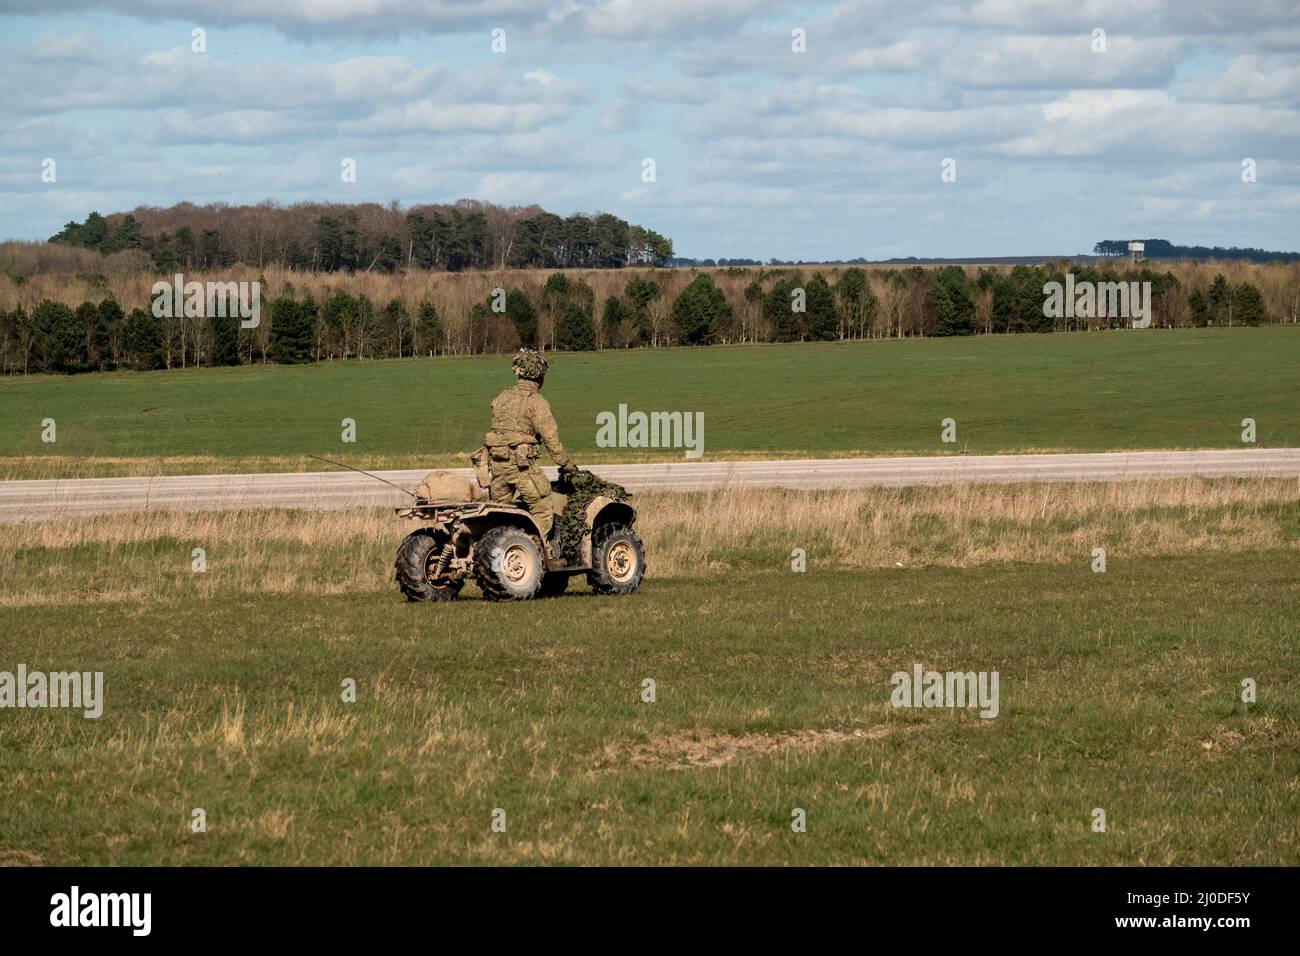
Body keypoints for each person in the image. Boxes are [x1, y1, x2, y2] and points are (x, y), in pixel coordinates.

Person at [483, 348, 577, 540]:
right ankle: (541, 553)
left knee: (500, 512)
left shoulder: (502, 397)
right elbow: (552, 441)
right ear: (539, 375)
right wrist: (567, 465)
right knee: (542, 507)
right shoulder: (536, 402)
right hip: (522, 468)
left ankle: (497, 549)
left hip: (497, 467)